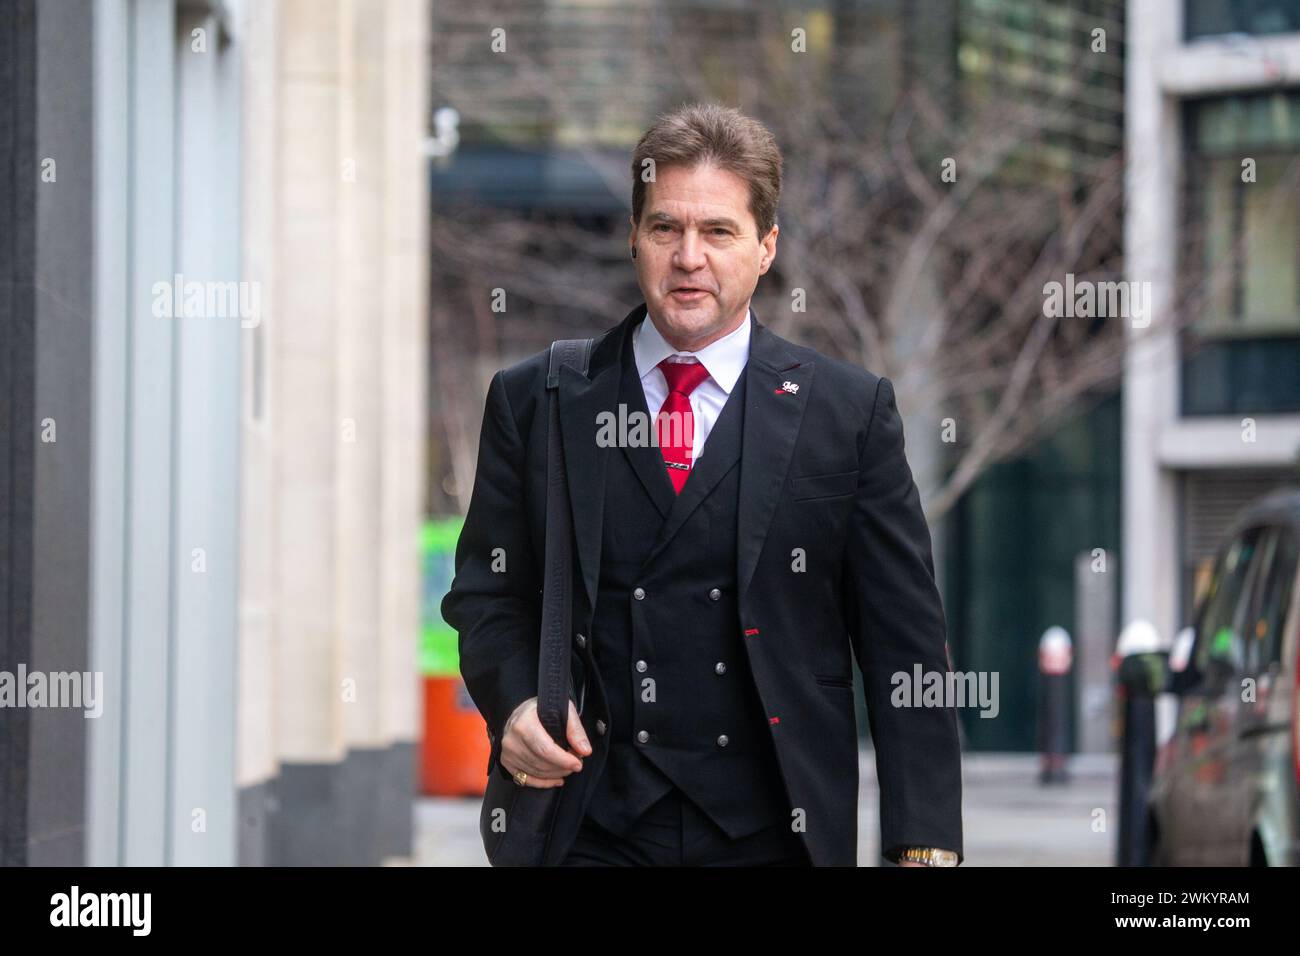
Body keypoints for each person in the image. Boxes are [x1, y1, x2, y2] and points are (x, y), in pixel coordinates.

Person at [441, 102, 963, 867]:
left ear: (765, 248)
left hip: (774, 833)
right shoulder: (539, 399)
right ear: (633, 238)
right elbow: (488, 594)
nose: (689, 257)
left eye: (718, 231)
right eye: (665, 229)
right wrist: (515, 702)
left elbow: (905, 641)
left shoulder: (846, 414)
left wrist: (925, 843)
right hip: (588, 826)